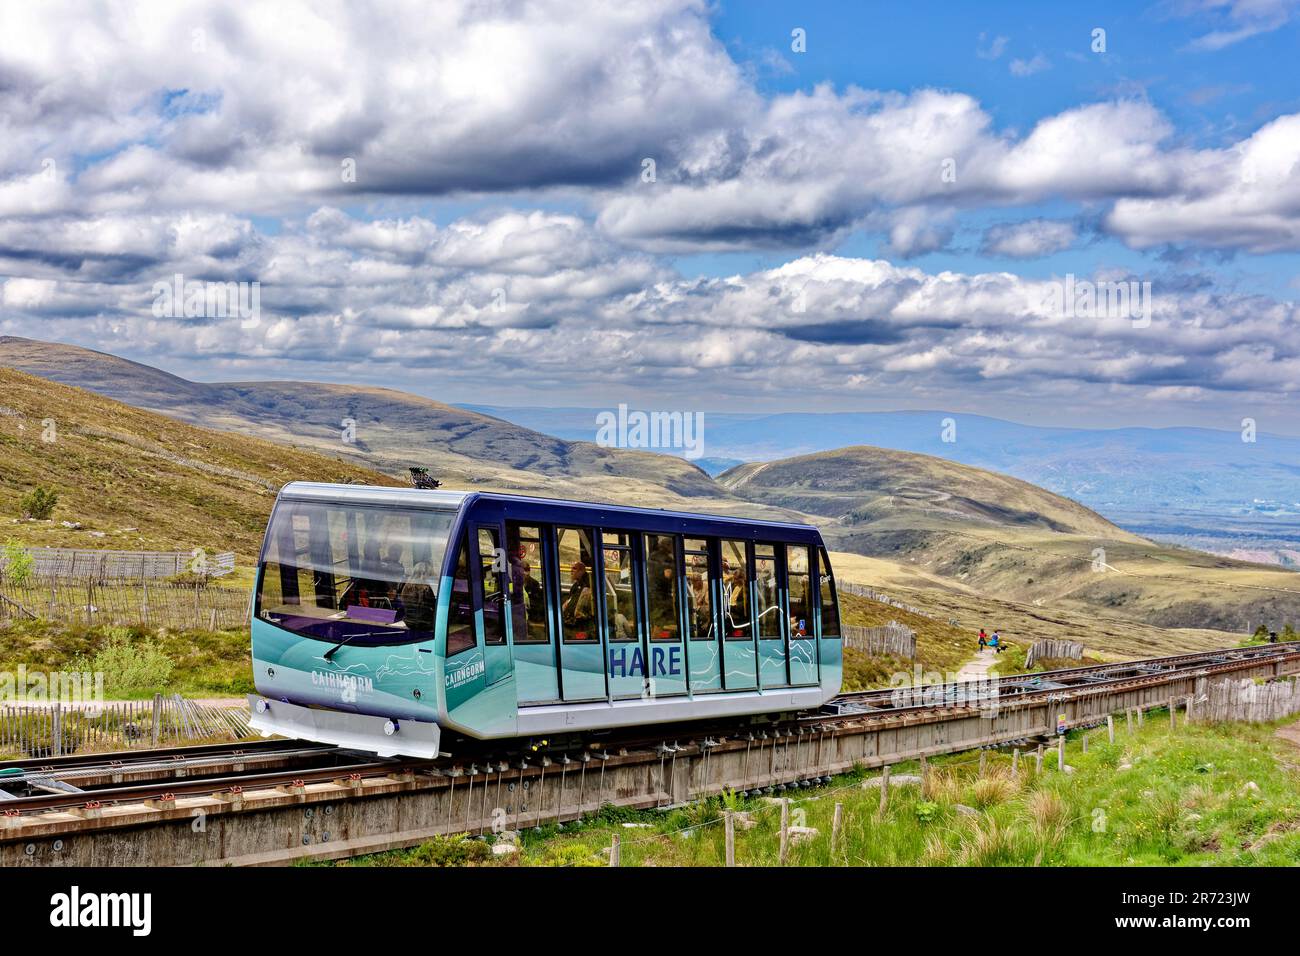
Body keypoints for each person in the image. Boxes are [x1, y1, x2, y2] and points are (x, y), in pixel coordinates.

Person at [398, 561, 436, 633]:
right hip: (424, 623)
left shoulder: (407, 585)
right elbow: (433, 605)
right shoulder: (426, 587)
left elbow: (403, 602)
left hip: (409, 622)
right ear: (424, 573)